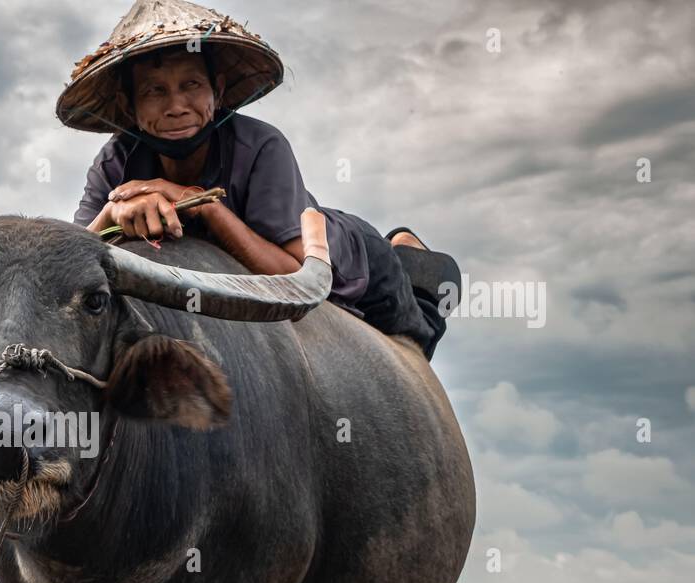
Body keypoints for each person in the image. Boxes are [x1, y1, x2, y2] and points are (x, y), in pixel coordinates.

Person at [56, 0, 459, 359]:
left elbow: (293, 272)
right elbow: (72, 263)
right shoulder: (117, 160)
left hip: (345, 258)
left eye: (191, 85)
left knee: (414, 341)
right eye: (154, 91)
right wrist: (112, 212)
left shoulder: (260, 145)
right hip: (236, 264)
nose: (176, 105)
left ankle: (414, 259)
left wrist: (202, 203)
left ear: (218, 90)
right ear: (129, 104)